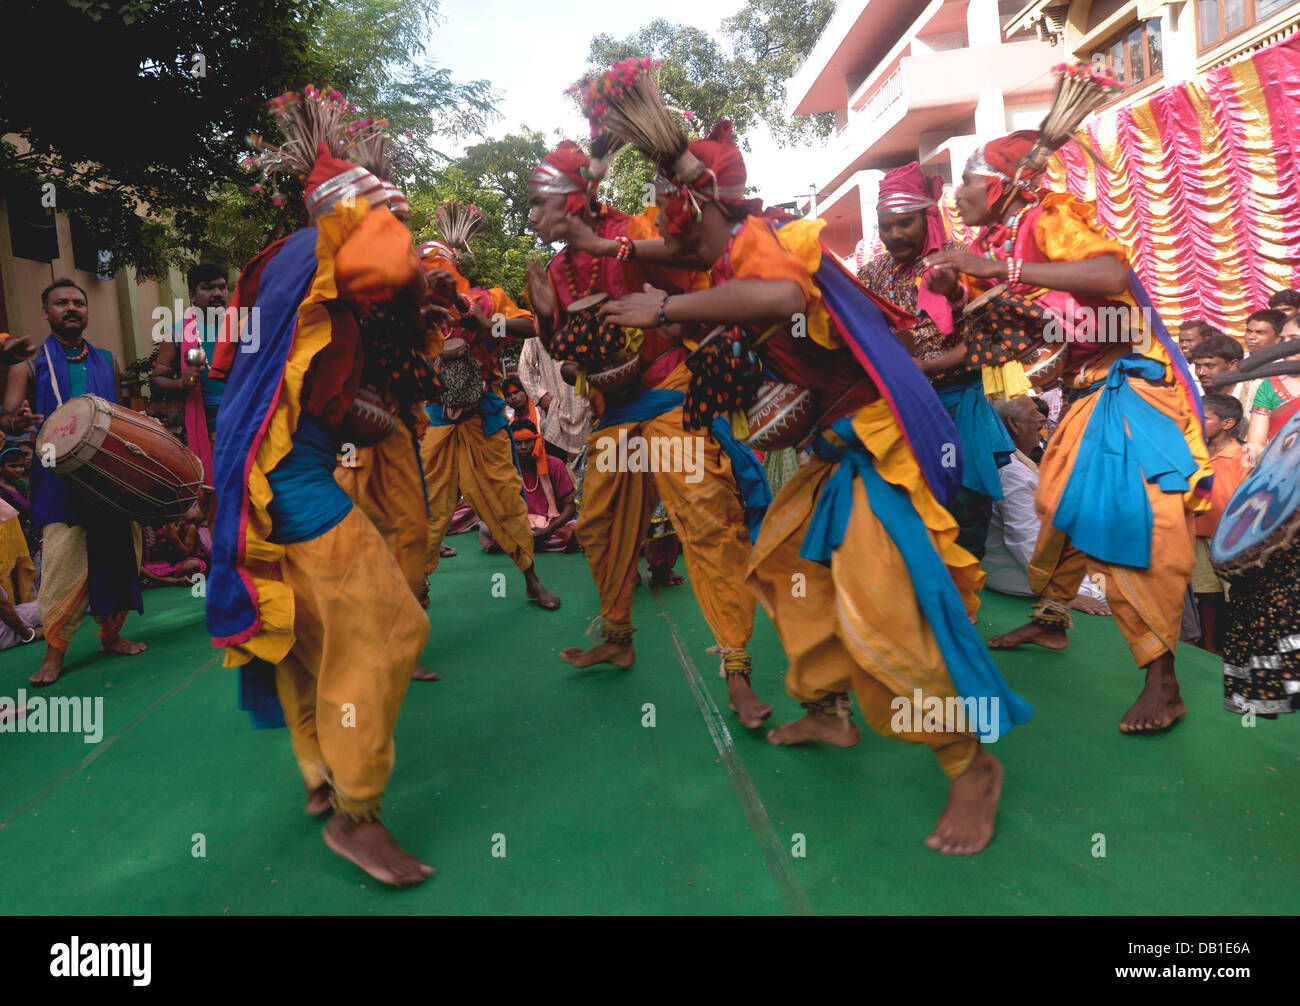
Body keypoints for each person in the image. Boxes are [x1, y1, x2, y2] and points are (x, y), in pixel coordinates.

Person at [602, 119, 1030, 855]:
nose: (668, 251)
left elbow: (774, 302)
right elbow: (652, 258)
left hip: (877, 448)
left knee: (889, 613)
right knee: (783, 565)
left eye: (676, 227)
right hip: (836, 450)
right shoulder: (725, 262)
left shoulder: (770, 245)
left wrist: (664, 310)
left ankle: (971, 763)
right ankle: (830, 708)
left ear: (704, 212)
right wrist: (592, 239)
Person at [209, 89, 433, 887]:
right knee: (387, 628)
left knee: (307, 637)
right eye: (383, 210)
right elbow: (399, 269)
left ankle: (318, 770)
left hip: (262, 479)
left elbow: (241, 376)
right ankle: (356, 813)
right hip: (290, 482)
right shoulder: (319, 252)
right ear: (350, 215)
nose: (395, 224)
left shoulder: (279, 266)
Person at [924, 129, 1212, 735]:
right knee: (1056, 506)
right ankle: (1053, 620)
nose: (959, 195)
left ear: (999, 186)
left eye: (967, 182)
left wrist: (993, 267)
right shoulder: (1005, 241)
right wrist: (959, 287)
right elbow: (1007, 326)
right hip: (1088, 390)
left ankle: (1165, 680)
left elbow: (1110, 278)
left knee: (1137, 522)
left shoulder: (1047, 223)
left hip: (1133, 390)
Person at [525, 137, 774, 731]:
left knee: (708, 519)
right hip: (615, 413)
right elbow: (570, 357)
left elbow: (698, 265)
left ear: (573, 201)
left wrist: (619, 249)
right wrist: (545, 319)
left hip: (670, 391)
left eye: (538, 204)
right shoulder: (558, 269)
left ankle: (736, 669)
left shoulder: (632, 231)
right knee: (599, 526)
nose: (531, 217)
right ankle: (617, 636)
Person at [859, 161, 1012, 559]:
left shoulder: (963, 261)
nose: (894, 234)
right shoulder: (873, 274)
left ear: (927, 216)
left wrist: (928, 368)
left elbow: (994, 341)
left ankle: (958, 610)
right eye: (885, 224)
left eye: (904, 223)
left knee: (960, 515)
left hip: (956, 408)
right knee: (903, 517)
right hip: (898, 414)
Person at [1, 278, 146, 686]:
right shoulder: (28, 363)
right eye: (61, 302)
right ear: (45, 312)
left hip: (108, 474)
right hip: (57, 475)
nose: (71, 308)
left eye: (78, 302)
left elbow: (118, 417)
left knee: (120, 552)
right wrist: (16, 420)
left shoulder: (108, 359)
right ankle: (54, 654)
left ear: (86, 311)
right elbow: (9, 414)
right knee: (64, 562)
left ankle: (111, 636)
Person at [416, 239, 562, 611]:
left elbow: (530, 325)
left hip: (484, 416)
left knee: (506, 498)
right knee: (426, 505)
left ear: (454, 272)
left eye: (439, 269)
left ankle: (531, 578)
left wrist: (483, 324)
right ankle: (418, 584)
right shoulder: (413, 312)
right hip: (436, 419)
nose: (432, 276)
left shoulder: (485, 300)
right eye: (424, 270)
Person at [985, 396, 1109, 614]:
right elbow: (1026, 540)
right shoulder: (1011, 472)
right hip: (1021, 577)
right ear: (1014, 424)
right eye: (1035, 413)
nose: (1043, 417)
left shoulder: (1018, 463)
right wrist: (1061, 594)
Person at [150, 263, 228, 484]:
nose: (217, 294)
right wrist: (183, 384)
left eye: (222, 287)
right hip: (203, 430)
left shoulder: (243, 328)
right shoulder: (175, 333)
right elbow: (156, 379)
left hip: (243, 427)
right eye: (208, 288)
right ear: (193, 296)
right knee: (210, 497)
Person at [1190, 393, 1249, 655]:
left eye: (1204, 418)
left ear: (1227, 423)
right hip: (1197, 531)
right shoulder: (1193, 450)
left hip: (1229, 538)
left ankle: (1237, 646)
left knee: (1235, 594)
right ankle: (1210, 646)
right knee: (1206, 594)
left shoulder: (1240, 455)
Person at [480, 419, 578, 553]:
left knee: (576, 527)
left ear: (536, 441)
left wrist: (547, 530)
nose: (524, 447)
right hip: (519, 523)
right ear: (511, 445)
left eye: (528, 441)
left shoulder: (555, 465)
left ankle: (515, 545)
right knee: (485, 526)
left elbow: (570, 505)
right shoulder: (506, 467)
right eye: (518, 443)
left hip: (550, 524)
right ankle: (535, 543)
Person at [517, 331, 593, 462]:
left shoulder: (588, 319)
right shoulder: (539, 327)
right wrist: (541, 397)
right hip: (555, 417)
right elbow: (524, 368)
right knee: (559, 474)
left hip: (591, 412)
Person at [1246, 314, 1300, 461]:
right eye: (1283, 340)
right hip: (1279, 474)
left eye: (1294, 340)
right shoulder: (1270, 385)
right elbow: (1254, 445)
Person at [140, 519, 209, 588]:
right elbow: (163, 553)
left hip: (190, 560)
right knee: (141, 568)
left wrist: (174, 538)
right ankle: (172, 580)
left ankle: (160, 581)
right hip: (171, 563)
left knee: (192, 564)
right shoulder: (161, 528)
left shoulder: (190, 527)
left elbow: (186, 553)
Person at [1190, 334, 1245, 400]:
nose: (1201, 372)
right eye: (1198, 366)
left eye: (1210, 366)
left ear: (1233, 365)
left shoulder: (1253, 393)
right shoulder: (1192, 394)